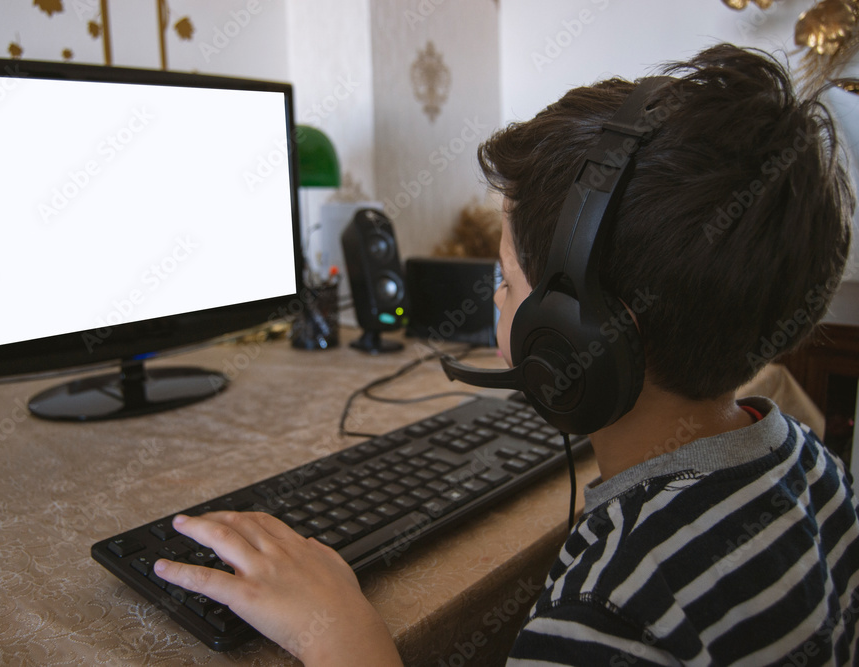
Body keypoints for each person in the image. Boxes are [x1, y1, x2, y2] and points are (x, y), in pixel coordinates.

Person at [154, 44, 858, 665]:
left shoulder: (617, 605)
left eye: (506, 278)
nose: (495, 298)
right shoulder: (808, 459)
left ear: (578, 334)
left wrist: (335, 630)